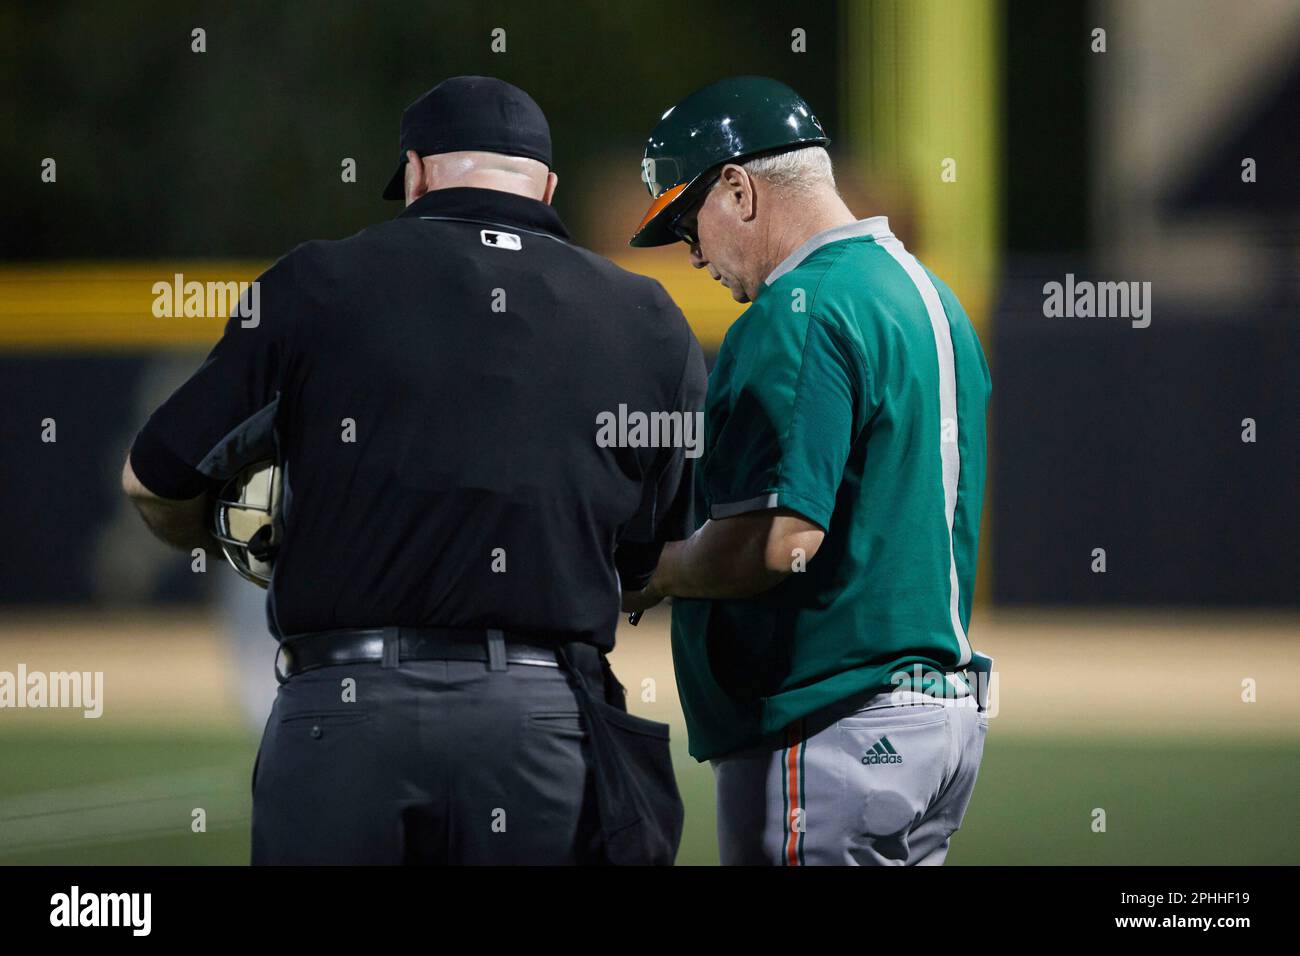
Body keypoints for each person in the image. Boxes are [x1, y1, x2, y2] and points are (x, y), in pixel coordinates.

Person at [122, 75, 705, 864]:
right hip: (542, 722)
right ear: (548, 185)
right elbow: (645, 558)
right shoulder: (651, 320)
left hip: (345, 714)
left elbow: (153, 477)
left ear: (419, 172)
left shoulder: (314, 282)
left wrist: (236, 544)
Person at [624, 76, 993, 865]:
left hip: (833, 721)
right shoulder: (929, 295)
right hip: (937, 719)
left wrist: (657, 570)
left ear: (738, 189)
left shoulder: (800, 308)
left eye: (690, 224)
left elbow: (776, 539)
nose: (692, 256)